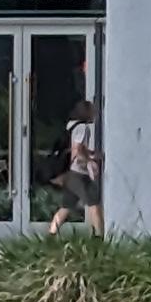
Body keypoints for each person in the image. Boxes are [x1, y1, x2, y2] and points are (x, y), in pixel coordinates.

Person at [51, 98, 103, 236]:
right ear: (86, 113)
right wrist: (89, 162)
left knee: (66, 207)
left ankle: (51, 235)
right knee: (94, 204)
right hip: (78, 174)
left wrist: (91, 154)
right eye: (93, 111)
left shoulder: (73, 125)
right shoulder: (82, 128)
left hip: (72, 173)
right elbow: (77, 150)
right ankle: (99, 238)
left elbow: (79, 148)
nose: (95, 113)